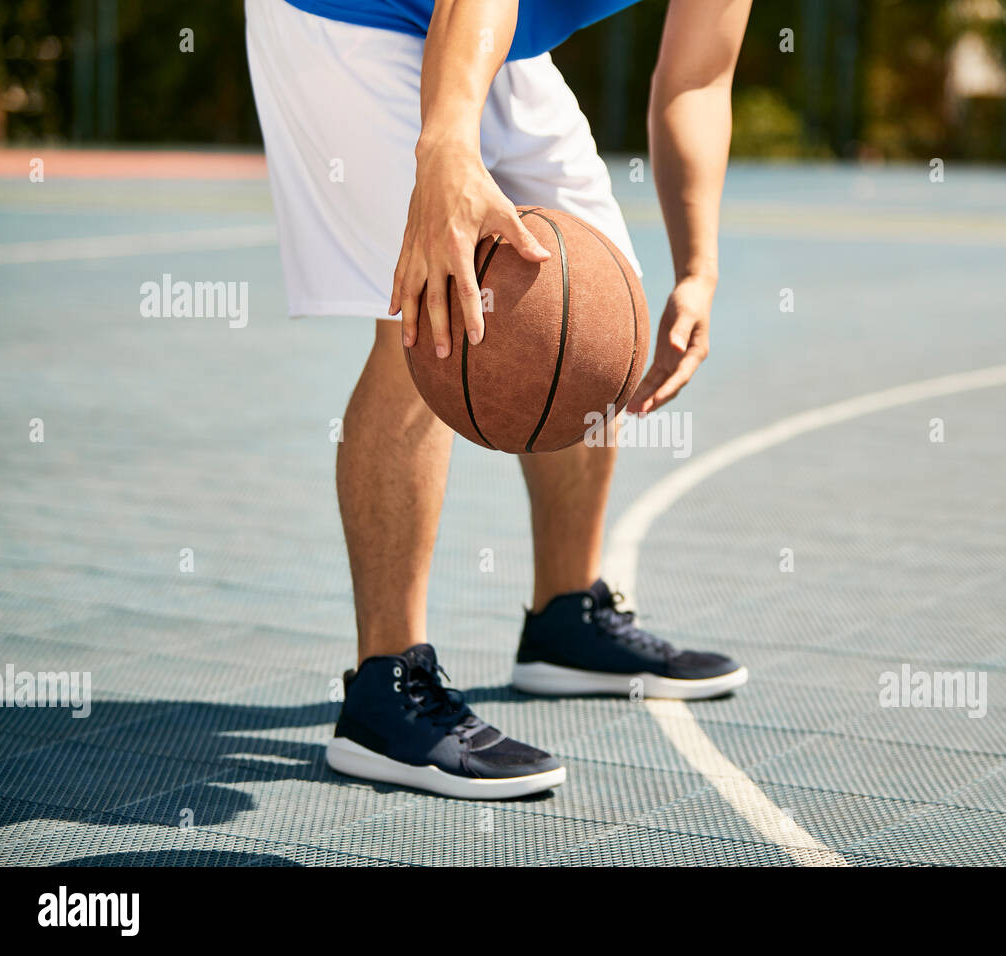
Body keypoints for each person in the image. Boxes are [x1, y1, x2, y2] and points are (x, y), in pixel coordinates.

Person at [245, 0, 752, 799]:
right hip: (352, 15)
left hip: (497, 36)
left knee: (592, 308)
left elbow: (697, 76)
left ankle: (564, 622)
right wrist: (444, 145)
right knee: (430, 315)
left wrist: (700, 267)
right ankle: (385, 690)